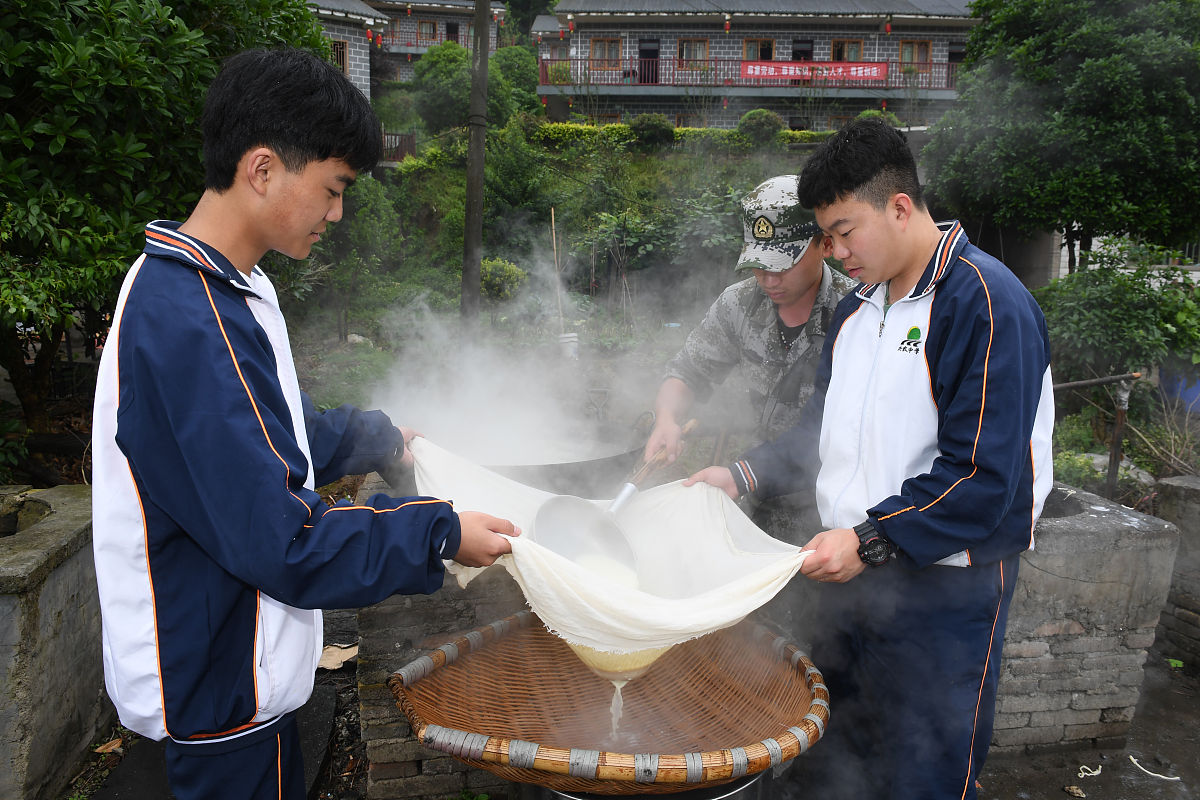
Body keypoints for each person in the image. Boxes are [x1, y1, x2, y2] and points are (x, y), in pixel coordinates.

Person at [90, 48, 517, 800]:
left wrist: (382, 437)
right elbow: (284, 539)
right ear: (262, 170)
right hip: (217, 709)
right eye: (333, 187)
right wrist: (438, 532)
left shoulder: (229, 286)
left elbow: (267, 431)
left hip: (239, 683)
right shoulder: (188, 322)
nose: (338, 213)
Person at [688, 118, 1055, 800]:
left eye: (845, 230)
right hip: (854, 587)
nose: (835, 250)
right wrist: (738, 475)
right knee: (836, 764)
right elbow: (817, 436)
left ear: (900, 206)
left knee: (924, 776)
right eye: (826, 234)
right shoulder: (859, 310)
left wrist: (869, 540)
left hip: (943, 598)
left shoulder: (983, 302)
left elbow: (983, 480)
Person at [643, 175, 855, 543]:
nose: (768, 279)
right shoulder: (739, 303)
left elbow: (845, 433)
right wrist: (666, 417)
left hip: (833, 506)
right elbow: (688, 371)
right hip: (755, 488)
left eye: (782, 264)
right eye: (759, 264)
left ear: (825, 244)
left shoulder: (856, 312)